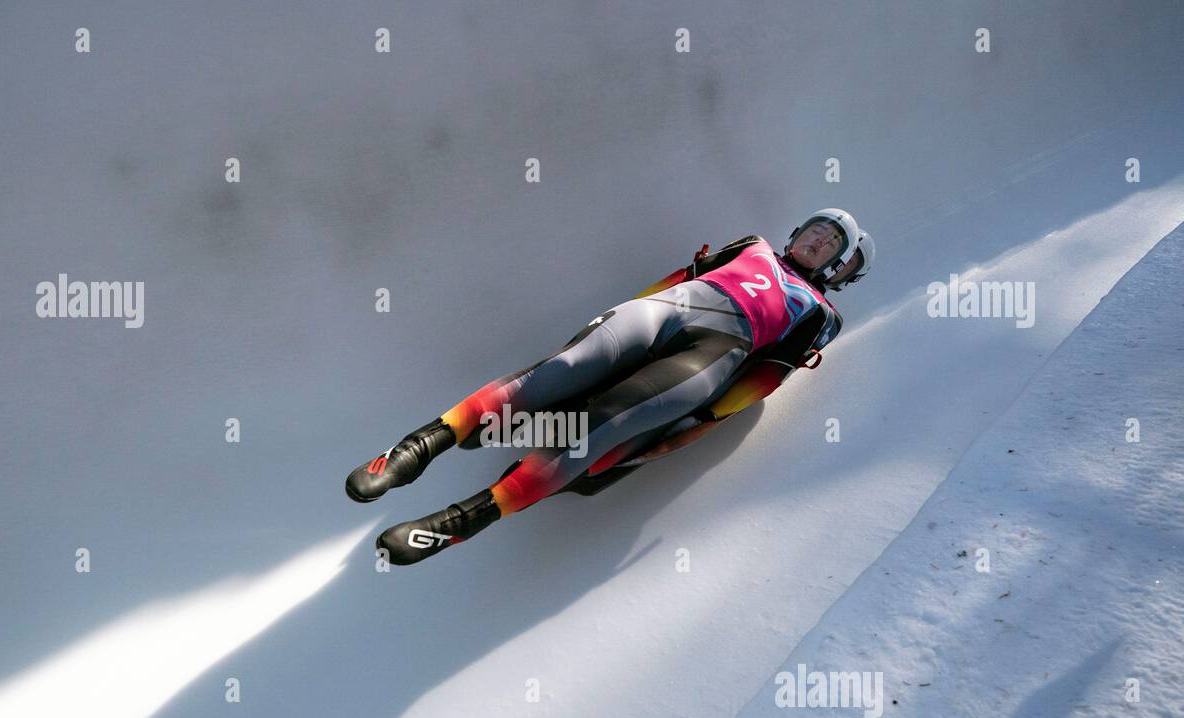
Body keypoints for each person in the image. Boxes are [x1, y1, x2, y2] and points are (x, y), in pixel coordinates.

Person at [346, 209, 873, 566]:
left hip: (712, 355)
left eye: (832, 244)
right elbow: (676, 278)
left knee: (599, 428)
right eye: (817, 229)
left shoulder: (820, 313)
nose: (818, 240)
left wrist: (701, 421)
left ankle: (460, 520)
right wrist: (621, 317)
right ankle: (412, 451)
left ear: (837, 266)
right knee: (561, 370)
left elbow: (765, 377)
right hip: (668, 310)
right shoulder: (752, 245)